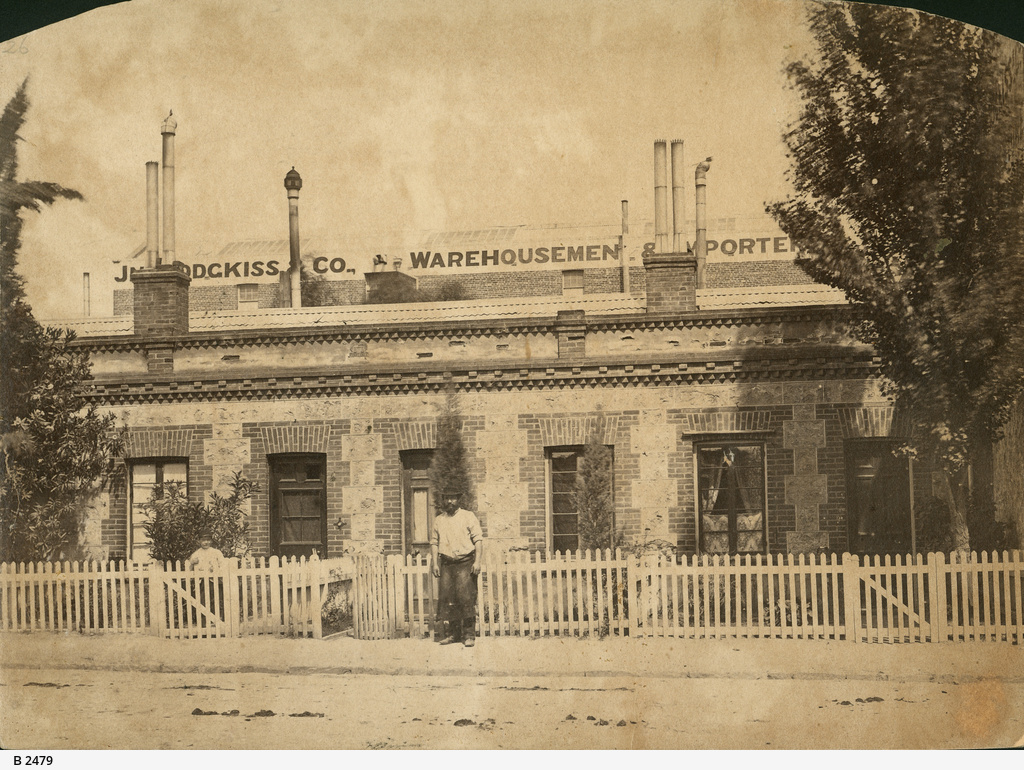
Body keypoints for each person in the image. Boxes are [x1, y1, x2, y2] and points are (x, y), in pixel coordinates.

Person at [431, 489, 483, 647]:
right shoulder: (439, 520)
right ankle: (453, 634)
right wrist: (435, 563)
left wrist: (478, 562)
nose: (449, 502)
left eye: (453, 498)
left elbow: (478, 541)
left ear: (458, 500)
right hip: (447, 564)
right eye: (447, 498)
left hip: (465, 562)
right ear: (444, 500)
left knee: (466, 598)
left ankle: (469, 635)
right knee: (449, 600)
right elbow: (434, 543)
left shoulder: (468, 516)